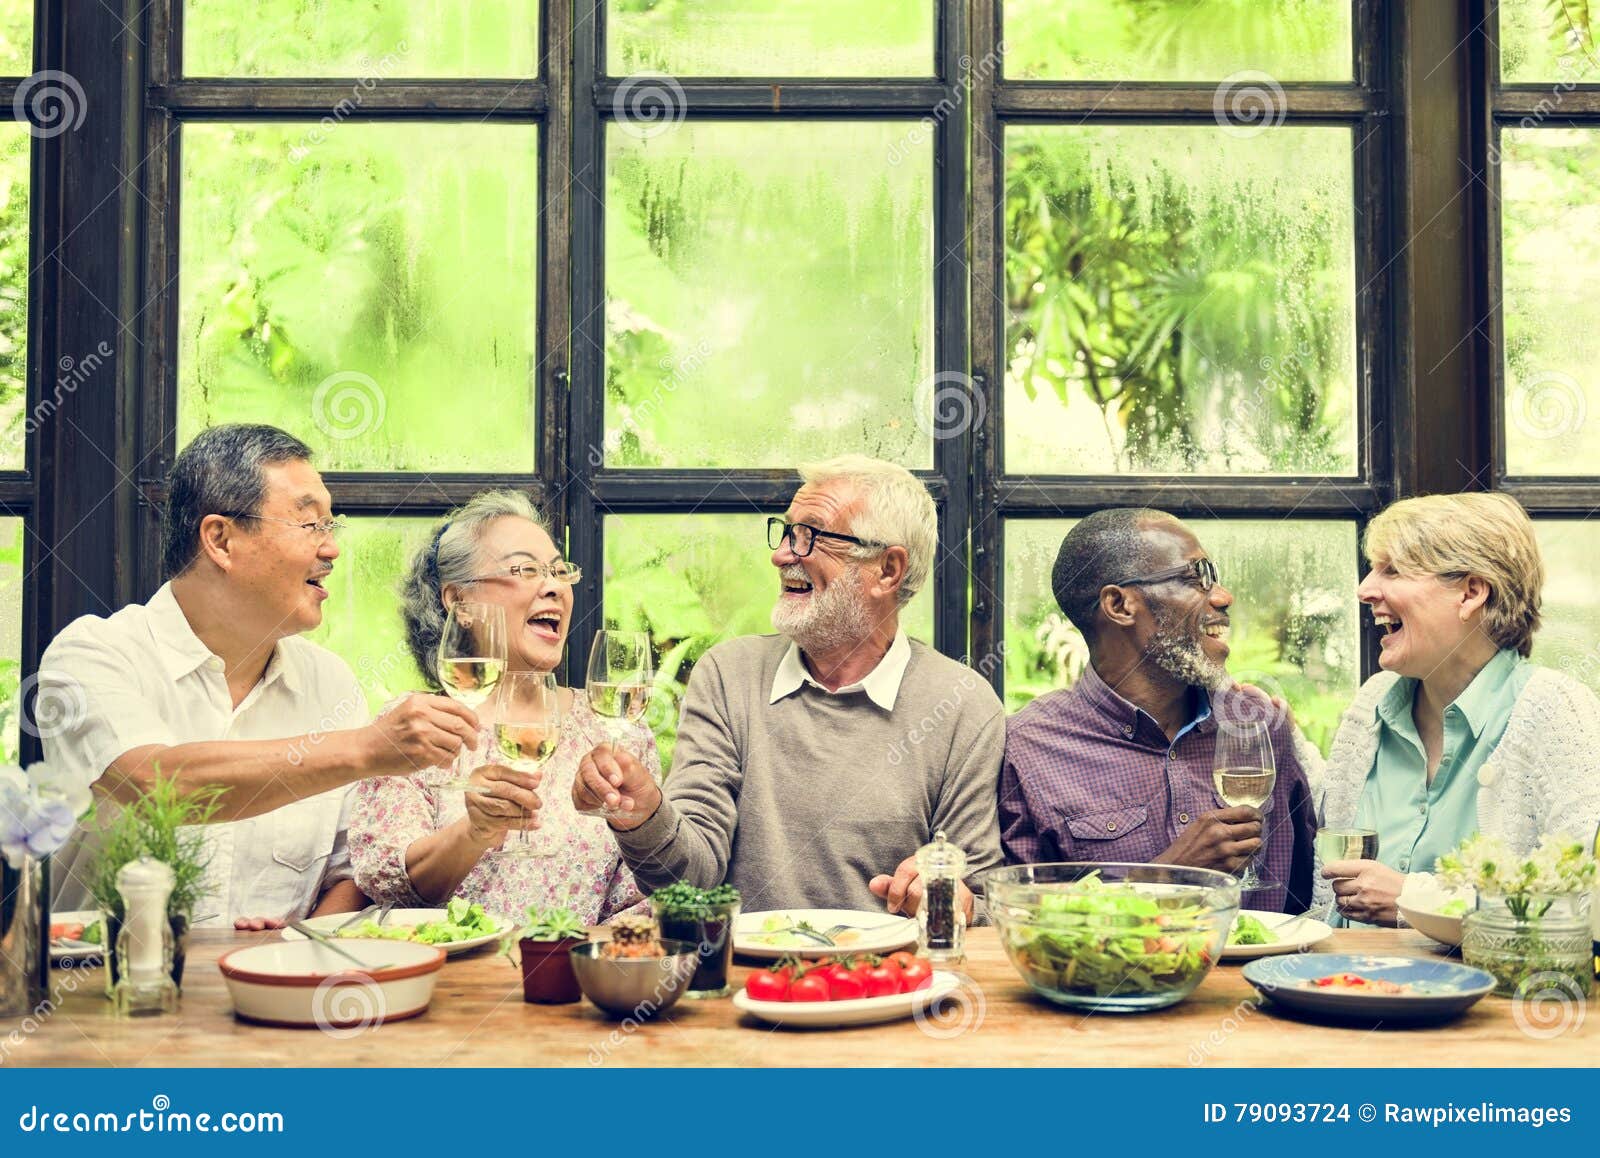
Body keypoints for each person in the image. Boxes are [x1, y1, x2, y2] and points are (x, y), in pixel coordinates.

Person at [40, 424, 480, 928]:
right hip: (101, 992)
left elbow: (347, 874)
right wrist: (365, 749)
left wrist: (298, 937)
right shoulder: (93, 654)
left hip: (269, 997)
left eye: (332, 527)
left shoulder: (331, 684)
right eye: (310, 524)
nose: (332, 549)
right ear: (221, 540)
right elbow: (155, 784)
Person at [572, 455, 1004, 921]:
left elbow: (979, 902)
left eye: (810, 536)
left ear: (887, 570)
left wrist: (947, 898)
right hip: (746, 985)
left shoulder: (963, 705)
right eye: (786, 532)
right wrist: (643, 816)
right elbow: (689, 882)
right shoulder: (727, 676)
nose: (781, 555)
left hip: (890, 984)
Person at [348, 491, 648, 923]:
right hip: (450, 980)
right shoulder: (414, 725)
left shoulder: (617, 731)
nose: (553, 586)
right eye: (525, 569)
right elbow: (389, 884)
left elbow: (643, 899)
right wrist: (475, 832)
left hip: (573, 981)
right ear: (459, 603)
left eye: (559, 571)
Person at [999, 509, 1318, 914]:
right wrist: (1163, 879)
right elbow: (1022, 922)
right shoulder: (1028, 748)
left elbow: (1308, 895)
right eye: (1194, 579)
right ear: (1119, 604)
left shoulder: (1259, 724)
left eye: (1214, 577)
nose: (1222, 596)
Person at [1315, 492, 1600, 926]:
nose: (1365, 589)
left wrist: (1414, 901)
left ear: (1470, 593)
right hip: (1347, 985)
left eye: (1392, 570)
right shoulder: (1372, 703)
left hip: (1487, 994)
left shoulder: (1558, 713)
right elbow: (1328, 906)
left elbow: (1582, 906)